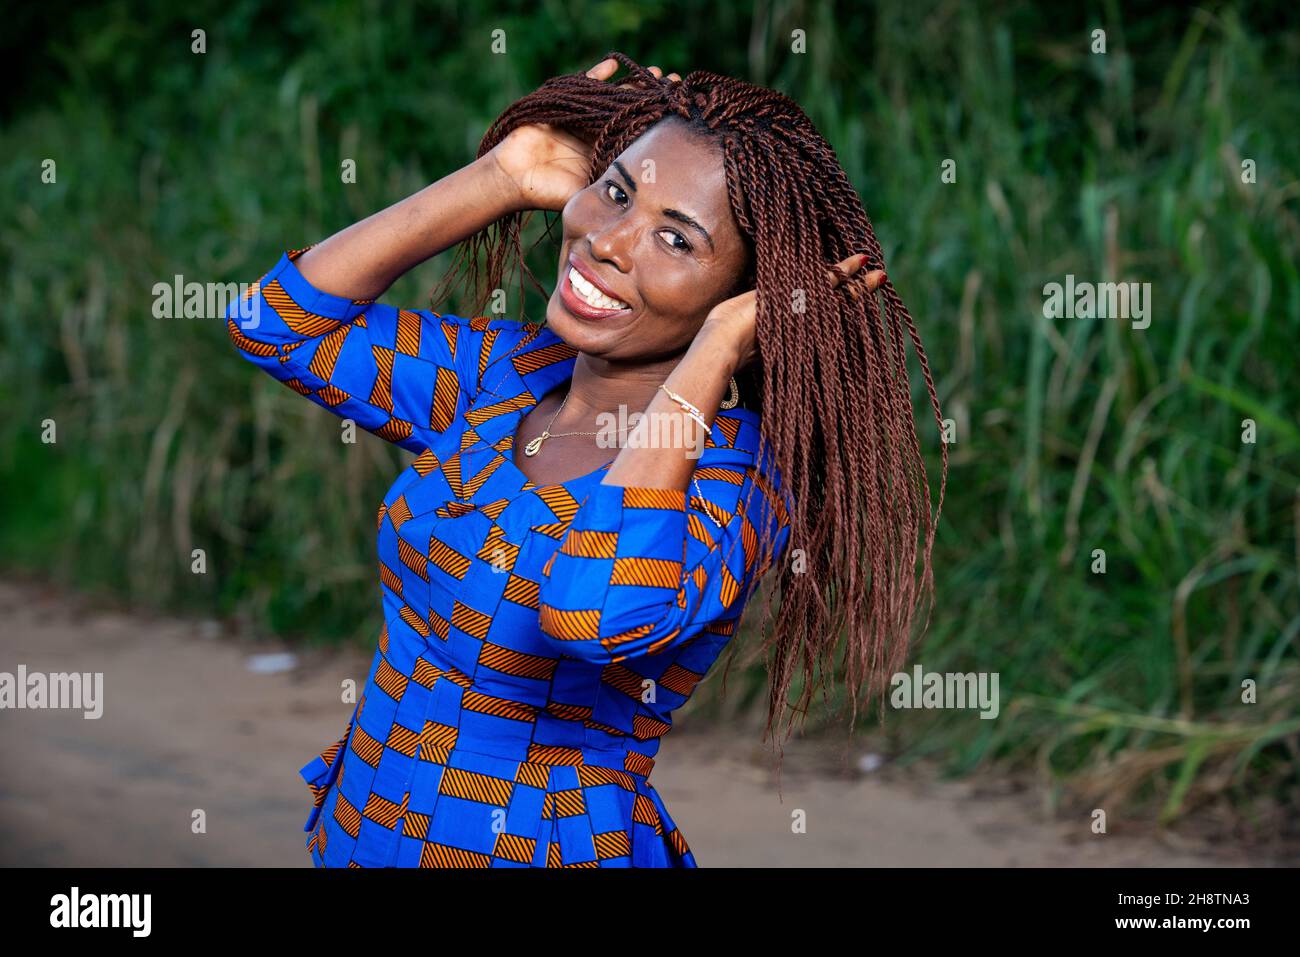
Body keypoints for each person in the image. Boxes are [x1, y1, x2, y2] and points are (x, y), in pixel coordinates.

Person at [225, 52, 944, 867]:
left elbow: (592, 613)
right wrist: (499, 176)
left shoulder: (733, 481)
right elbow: (273, 324)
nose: (608, 243)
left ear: (745, 296)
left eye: (676, 239)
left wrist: (711, 355)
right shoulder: (501, 379)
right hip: (363, 835)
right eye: (616, 192)